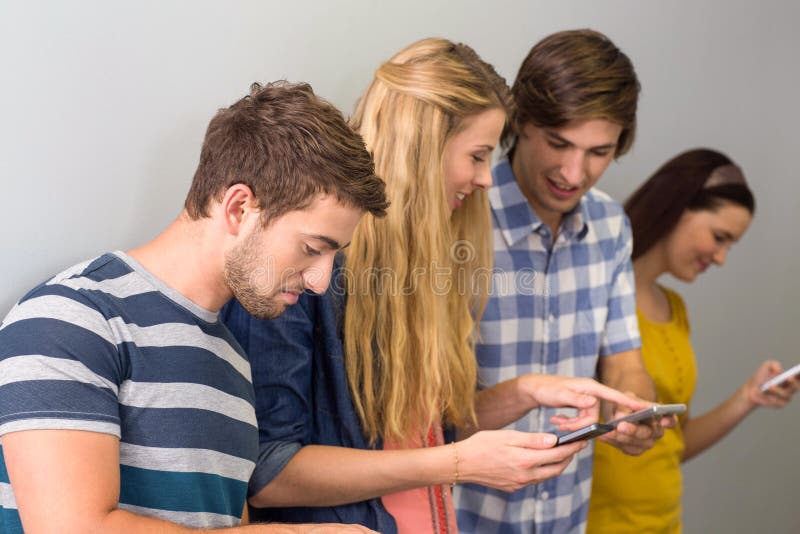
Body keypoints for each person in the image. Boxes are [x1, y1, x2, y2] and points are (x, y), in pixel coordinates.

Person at [222, 38, 647, 534]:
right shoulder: (305, 272)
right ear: (422, 150)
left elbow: (427, 433)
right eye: (479, 156)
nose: (487, 179)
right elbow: (268, 472)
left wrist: (528, 391)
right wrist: (456, 463)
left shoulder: (427, 267)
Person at [0, 81, 388, 533]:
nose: (320, 281)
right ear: (239, 208)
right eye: (311, 248)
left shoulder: (232, 361)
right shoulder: (70, 320)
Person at [454, 29, 673, 534]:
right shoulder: (459, 217)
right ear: (520, 123)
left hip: (566, 517)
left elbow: (625, 365)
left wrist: (634, 411)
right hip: (465, 518)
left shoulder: (611, 225)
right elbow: (428, 420)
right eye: (559, 144)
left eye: (599, 152)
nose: (574, 173)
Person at [587, 148, 800, 533]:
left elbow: (671, 445)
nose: (721, 258)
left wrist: (748, 397)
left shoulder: (675, 309)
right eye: (720, 238)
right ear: (677, 206)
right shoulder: (591, 296)